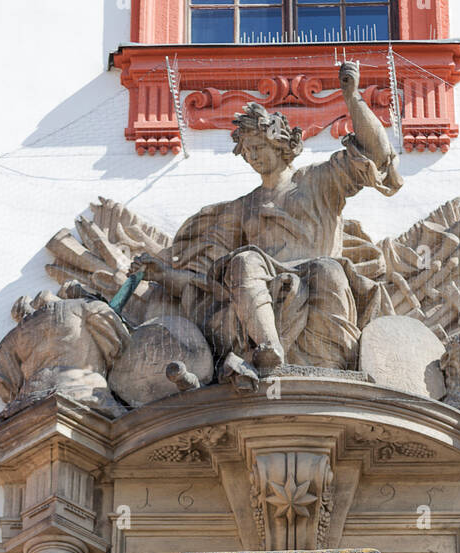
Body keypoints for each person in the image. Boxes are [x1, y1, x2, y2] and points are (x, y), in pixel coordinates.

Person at [131, 62, 402, 379]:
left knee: (328, 269)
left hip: (317, 271)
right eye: (247, 151)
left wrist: (352, 97)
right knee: (244, 261)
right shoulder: (243, 208)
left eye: (259, 147)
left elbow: (376, 154)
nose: (253, 156)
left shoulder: (319, 180)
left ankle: (330, 372)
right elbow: (205, 278)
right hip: (267, 282)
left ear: (281, 144)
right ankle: (268, 348)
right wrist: (162, 273)